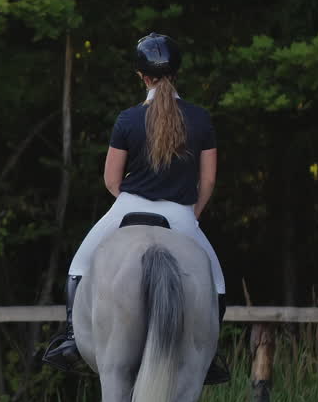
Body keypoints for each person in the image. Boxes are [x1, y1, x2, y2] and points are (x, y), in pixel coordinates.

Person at [45, 33, 229, 384]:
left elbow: (112, 180)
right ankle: (210, 354)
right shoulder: (201, 119)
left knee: (79, 265)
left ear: (142, 76)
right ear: (177, 73)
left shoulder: (128, 119)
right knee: (216, 282)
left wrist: (130, 204)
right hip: (181, 213)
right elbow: (207, 182)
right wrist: (192, 216)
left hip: (127, 207)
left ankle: (70, 337)